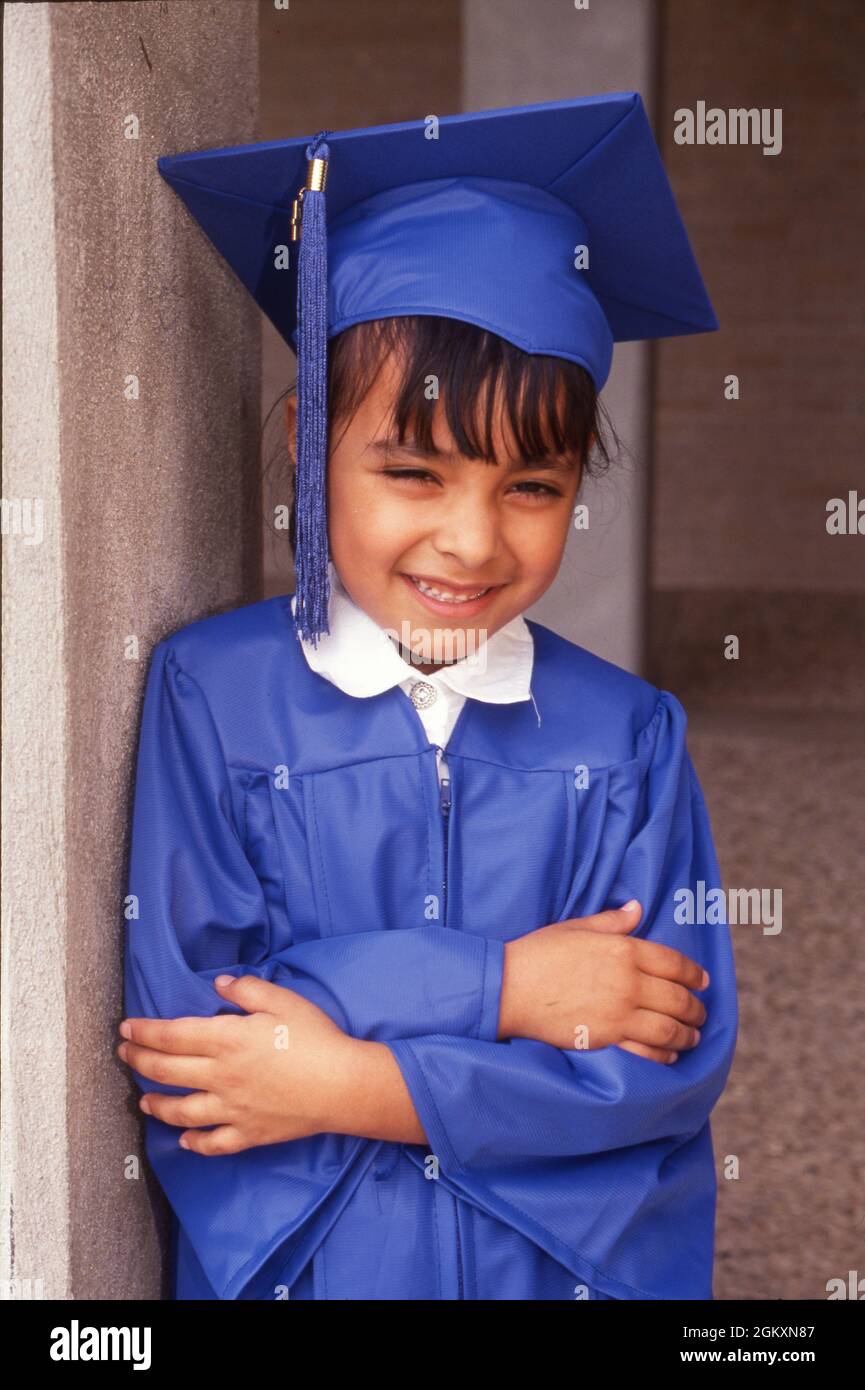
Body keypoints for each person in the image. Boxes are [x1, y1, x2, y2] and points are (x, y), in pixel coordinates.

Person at [119, 92, 738, 1300]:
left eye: (532, 487)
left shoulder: (627, 737)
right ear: (308, 445)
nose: (469, 541)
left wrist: (344, 1074)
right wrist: (507, 990)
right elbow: (198, 1045)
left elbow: (661, 1061)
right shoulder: (214, 696)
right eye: (411, 471)